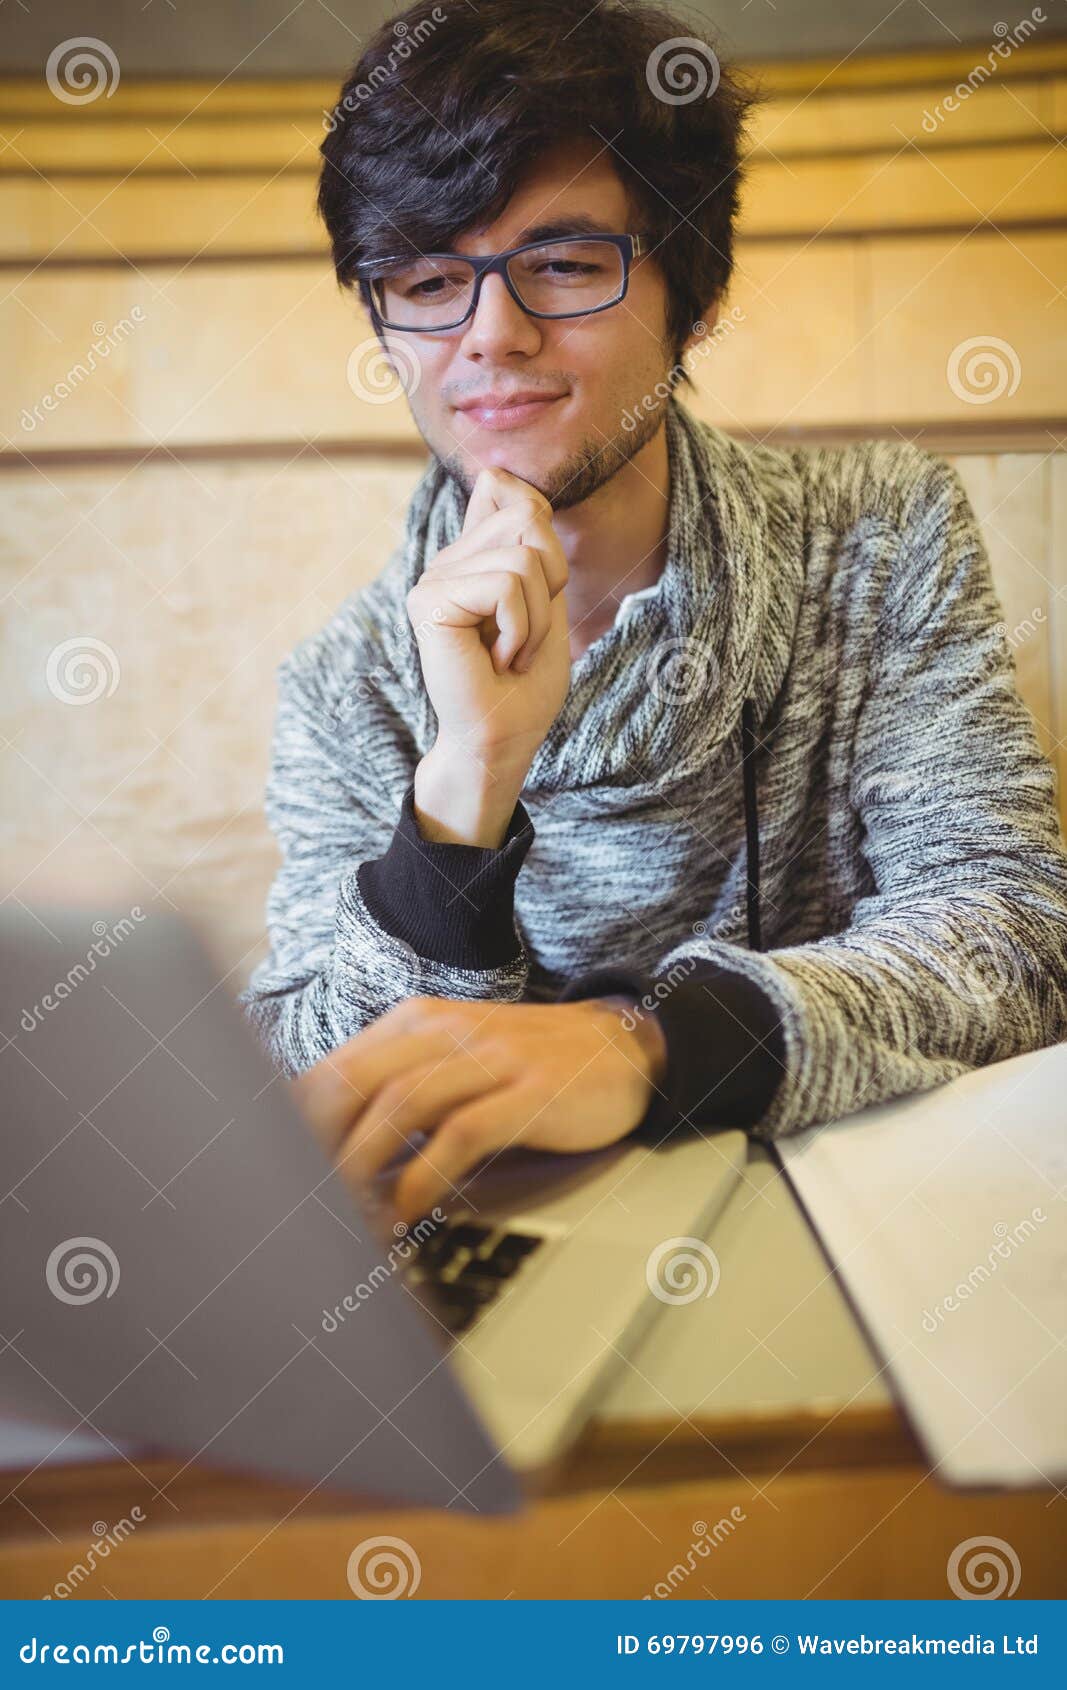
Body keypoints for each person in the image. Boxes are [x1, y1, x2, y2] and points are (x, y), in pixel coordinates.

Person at [239, 0, 1067, 1224]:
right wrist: (464, 784)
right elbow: (311, 1083)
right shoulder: (346, 681)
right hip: (514, 1244)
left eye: (564, 264)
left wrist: (644, 1045)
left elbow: (1012, 936)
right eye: (426, 280)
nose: (490, 336)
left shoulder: (876, 532)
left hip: (843, 1226)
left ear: (694, 295)